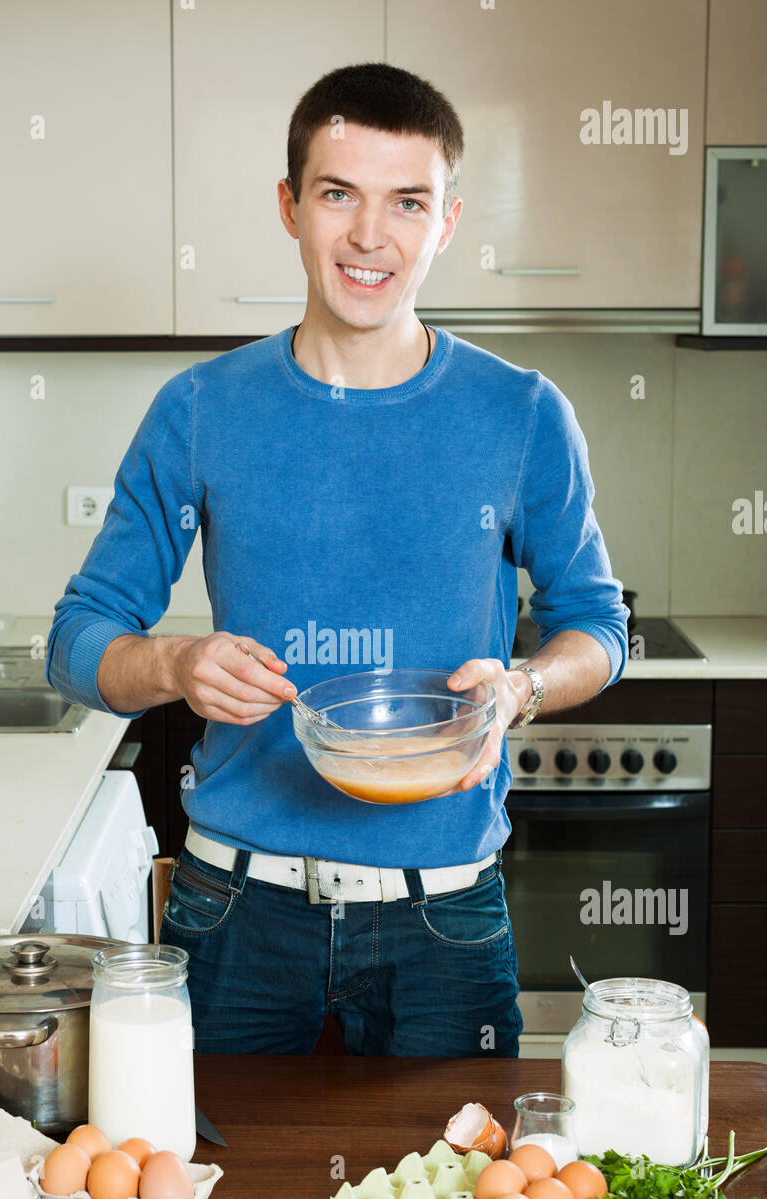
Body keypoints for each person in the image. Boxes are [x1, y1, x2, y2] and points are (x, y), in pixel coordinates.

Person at [47, 62, 628, 1059]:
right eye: (337, 195)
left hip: (442, 919)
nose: (370, 236)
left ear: (446, 220)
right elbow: (76, 642)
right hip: (232, 911)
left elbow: (597, 626)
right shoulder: (200, 409)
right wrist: (175, 666)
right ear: (289, 206)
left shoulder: (521, 413)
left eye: (407, 201)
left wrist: (521, 685)